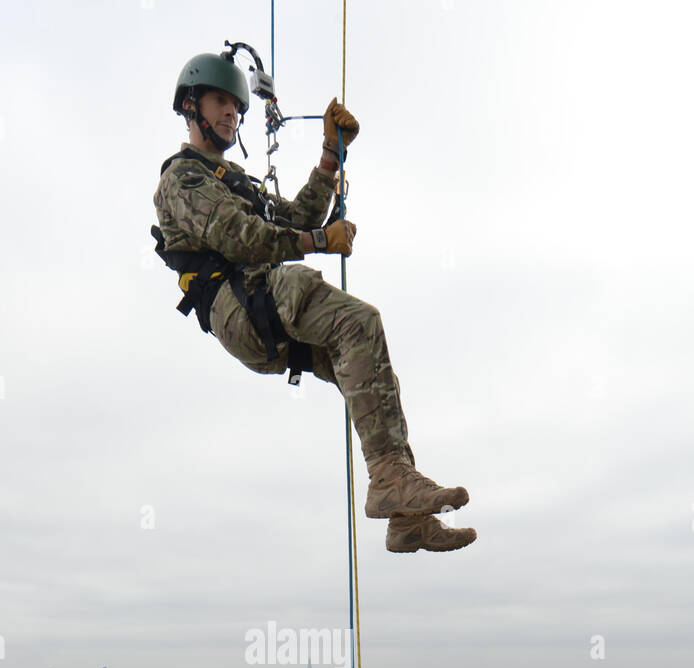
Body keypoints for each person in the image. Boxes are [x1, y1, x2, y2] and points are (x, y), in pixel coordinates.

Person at [152, 51, 477, 553]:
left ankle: (404, 511)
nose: (230, 113)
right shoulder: (183, 178)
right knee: (360, 323)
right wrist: (321, 242)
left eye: (236, 105)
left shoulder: (234, 181)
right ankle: (390, 481)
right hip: (242, 306)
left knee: (367, 371)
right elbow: (242, 238)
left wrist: (330, 152)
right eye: (219, 101)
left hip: (259, 303)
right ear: (191, 107)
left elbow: (295, 216)